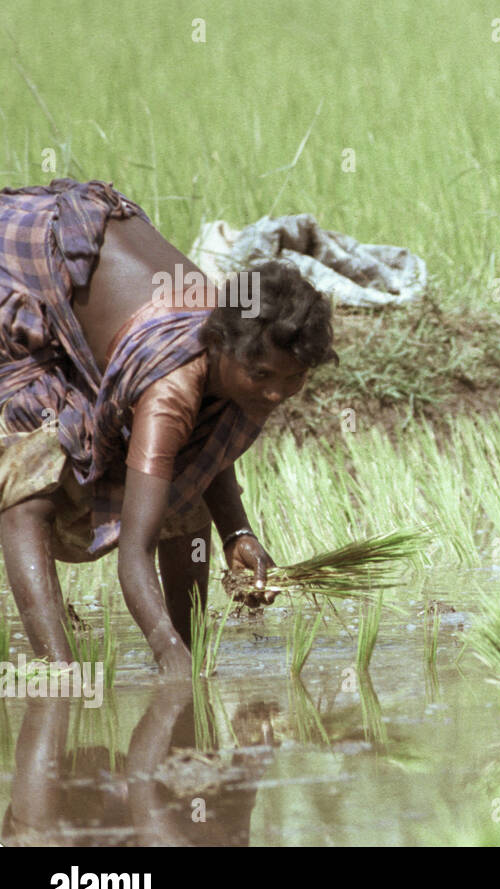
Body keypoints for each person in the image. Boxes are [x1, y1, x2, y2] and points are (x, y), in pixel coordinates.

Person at [0, 179, 336, 678]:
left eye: (294, 379)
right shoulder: (170, 388)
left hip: (106, 292)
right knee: (33, 475)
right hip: (25, 270)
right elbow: (134, 554)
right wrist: (168, 658)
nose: (274, 394)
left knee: (179, 493)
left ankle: (191, 649)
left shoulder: (242, 337)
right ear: (222, 347)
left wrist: (235, 533)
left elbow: (201, 451)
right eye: (262, 376)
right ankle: (58, 672)